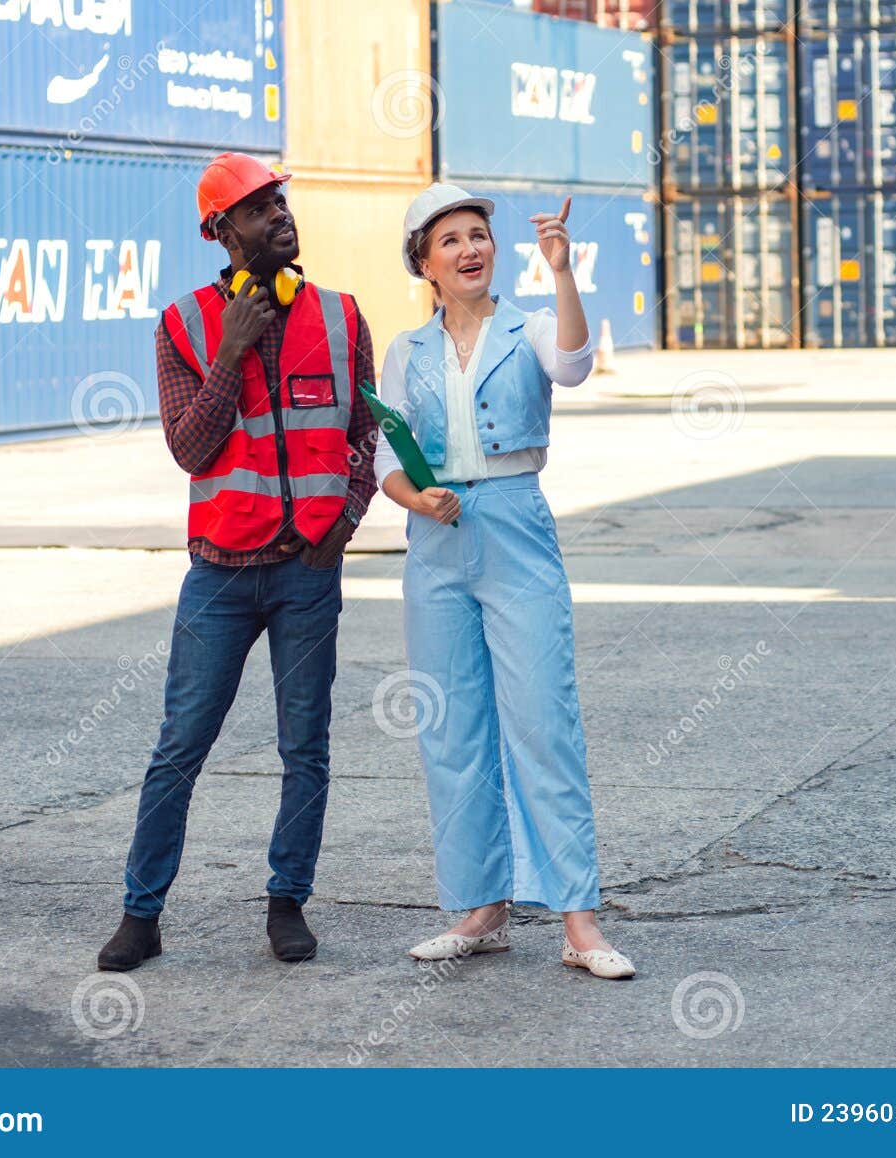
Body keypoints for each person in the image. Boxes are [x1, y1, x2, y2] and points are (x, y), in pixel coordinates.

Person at [96, 153, 379, 971]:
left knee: (306, 746)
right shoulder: (183, 324)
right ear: (222, 232)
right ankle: (141, 916)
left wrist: (347, 520)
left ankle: (287, 902)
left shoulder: (341, 315)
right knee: (180, 746)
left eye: (280, 201)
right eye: (258, 209)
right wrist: (232, 352)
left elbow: (365, 431)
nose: (279, 216)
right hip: (219, 575)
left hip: (307, 574)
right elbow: (190, 447)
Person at [374, 183, 634, 979]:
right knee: (451, 730)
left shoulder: (530, 328)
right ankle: (481, 910)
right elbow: (385, 452)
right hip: (435, 537)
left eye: (478, 234)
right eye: (449, 240)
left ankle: (579, 925)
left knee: (542, 721)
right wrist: (416, 496)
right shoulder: (405, 351)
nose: (469, 249)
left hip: (515, 524)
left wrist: (562, 271)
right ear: (425, 262)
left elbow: (577, 366)